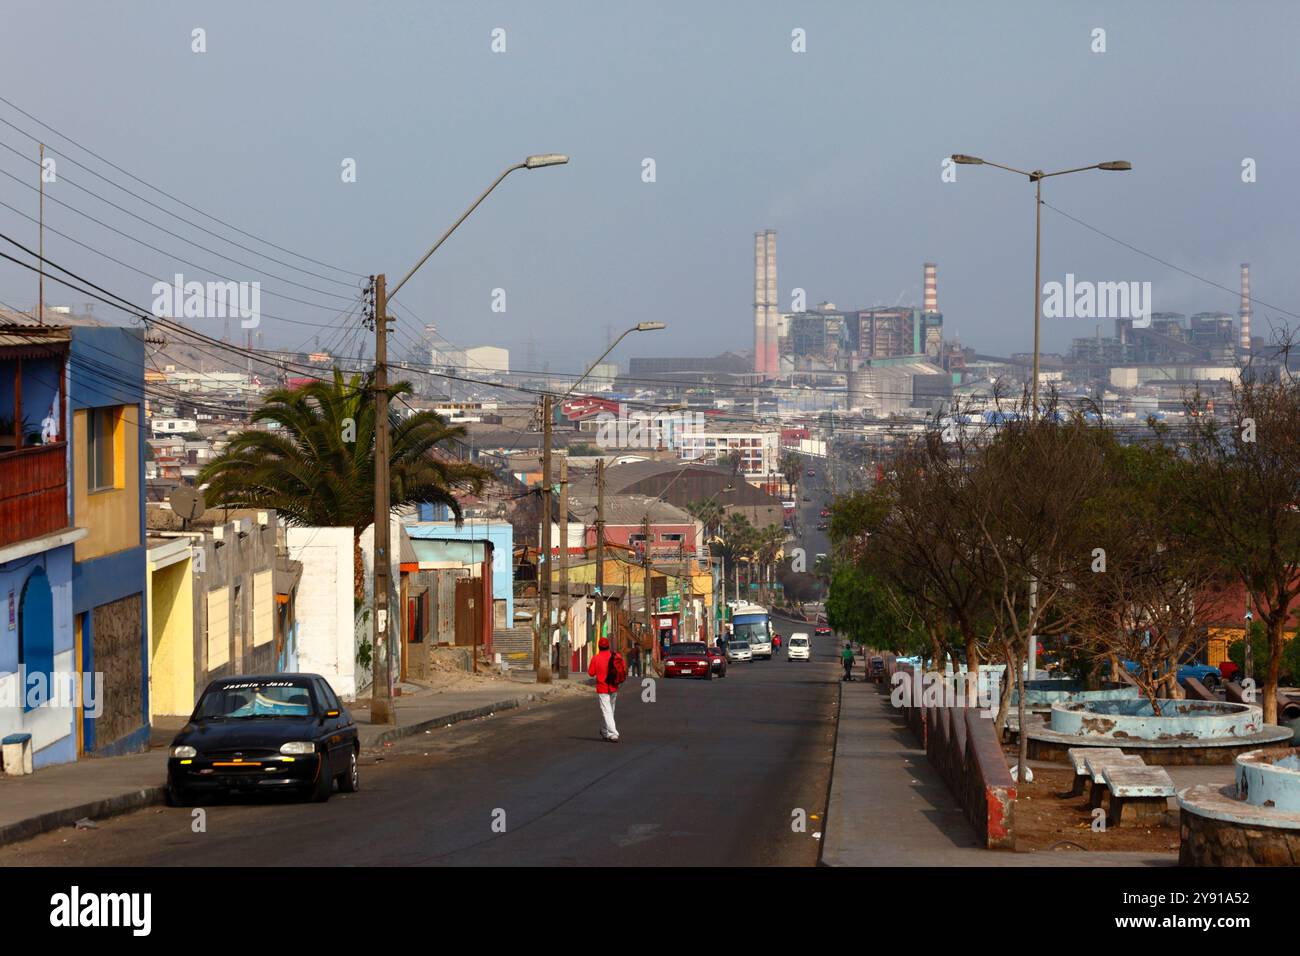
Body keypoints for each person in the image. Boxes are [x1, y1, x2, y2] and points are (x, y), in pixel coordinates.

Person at [587, 636, 620, 742]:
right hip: (614, 687)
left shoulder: (596, 658)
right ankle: (605, 730)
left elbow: (591, 673)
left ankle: (613, 734)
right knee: (610, 710)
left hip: (602, 688)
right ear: (608, 646)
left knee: (607, 711)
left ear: (599, 646)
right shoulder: (615, 656)